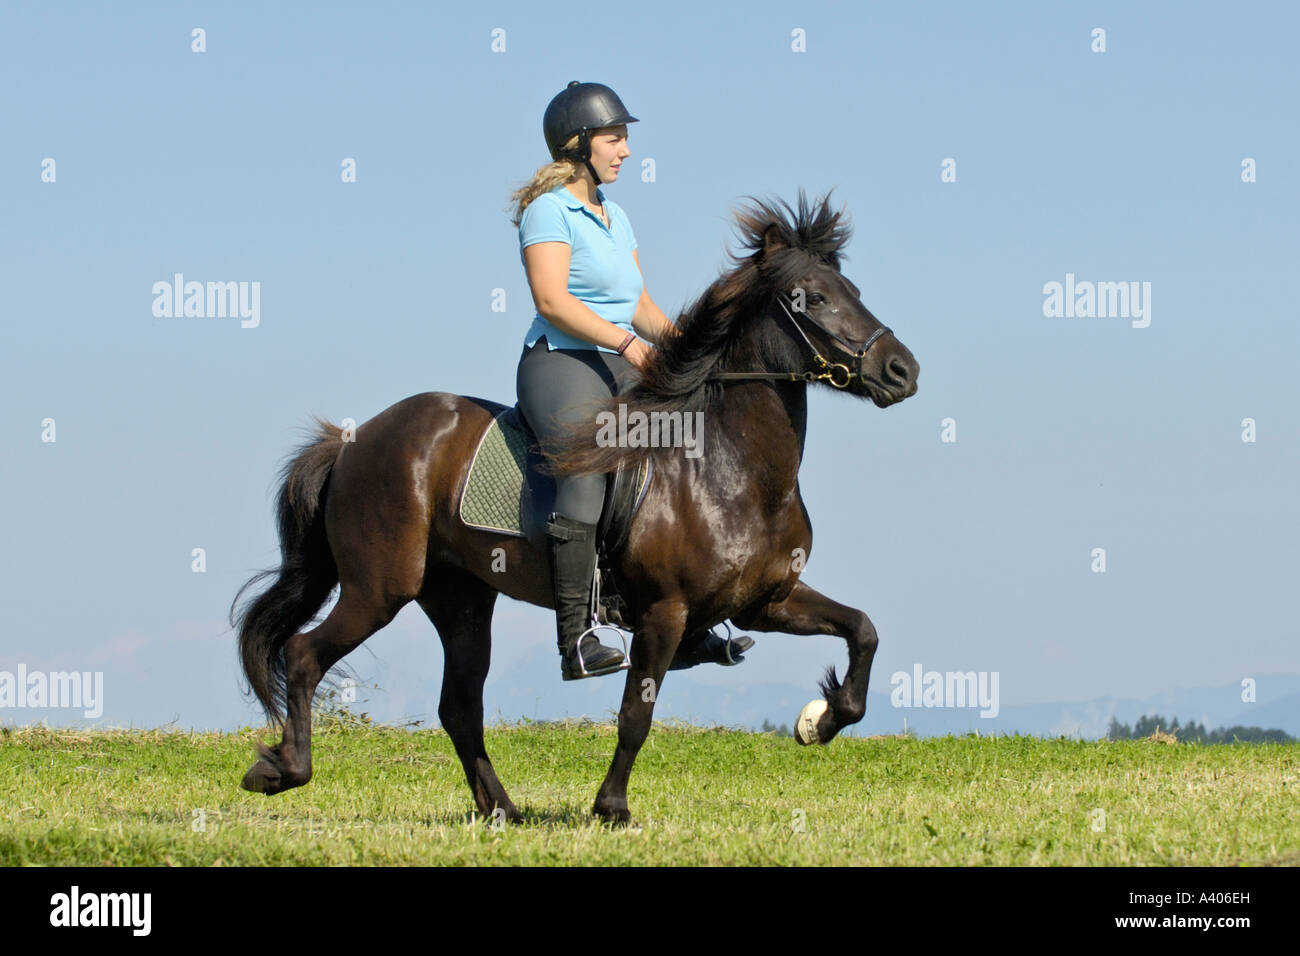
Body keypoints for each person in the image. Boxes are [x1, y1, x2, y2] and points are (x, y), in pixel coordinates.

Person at [508, 81, 679, 681]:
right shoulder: (549, 211)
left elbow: (640, 306)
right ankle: (576, 638)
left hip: (616, 357)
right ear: (579, 144)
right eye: (616, 138)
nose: (626, 150)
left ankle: (687, 618)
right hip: (560, 360)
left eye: (626, 138)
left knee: (686, 445)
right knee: (589, 462)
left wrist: (689, 346)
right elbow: (553, 301)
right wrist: (630, 345)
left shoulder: (616, 215)